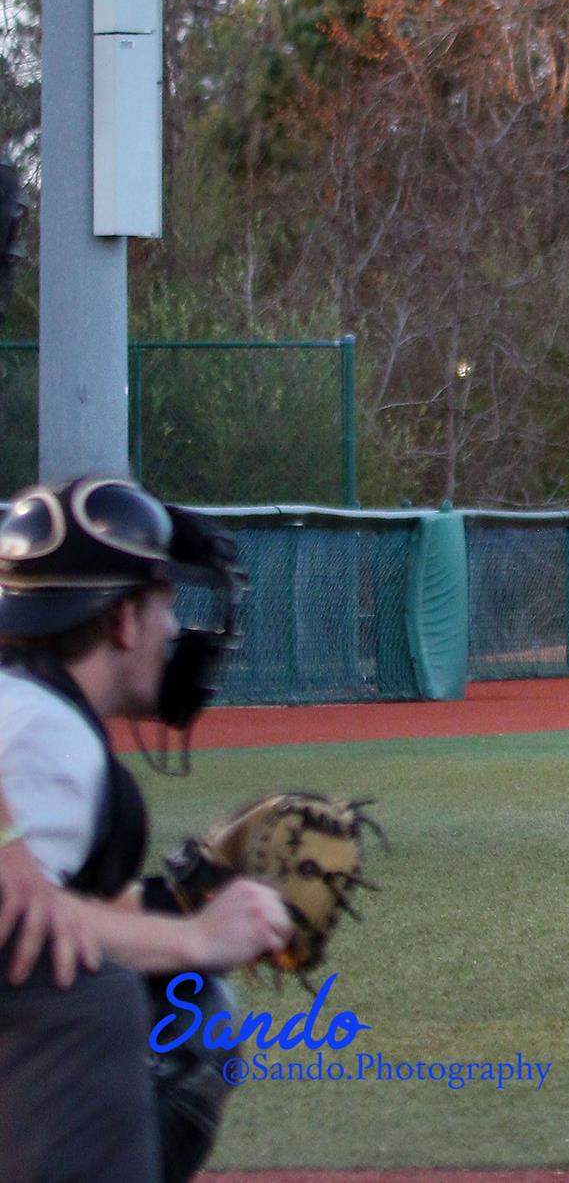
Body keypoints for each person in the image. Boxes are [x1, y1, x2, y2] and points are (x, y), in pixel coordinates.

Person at [0, 475, 294, 1181]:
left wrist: (178, 910)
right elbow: (20, 927)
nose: (173, 629)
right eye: (166, 603)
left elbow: (51, 905)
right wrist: (194, 938)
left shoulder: (27, 709)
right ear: (124, 618)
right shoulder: (47, 736)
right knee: (163, 1012)